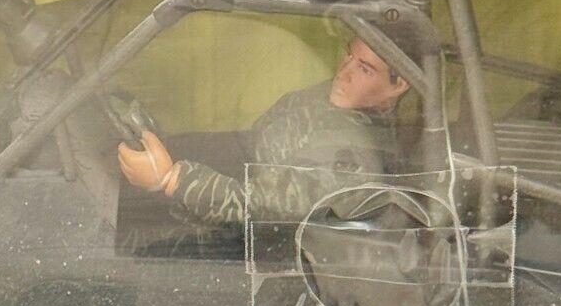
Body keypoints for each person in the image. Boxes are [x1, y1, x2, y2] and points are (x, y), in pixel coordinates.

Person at [117, 36, 410, 226]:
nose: (343, 73)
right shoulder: (346, 100)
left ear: (398, 85)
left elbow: (259, 207)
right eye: (348, 55)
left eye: (364, 69)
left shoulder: (352, 159)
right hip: (243, 164)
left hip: (248, 236)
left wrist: (170, 180)